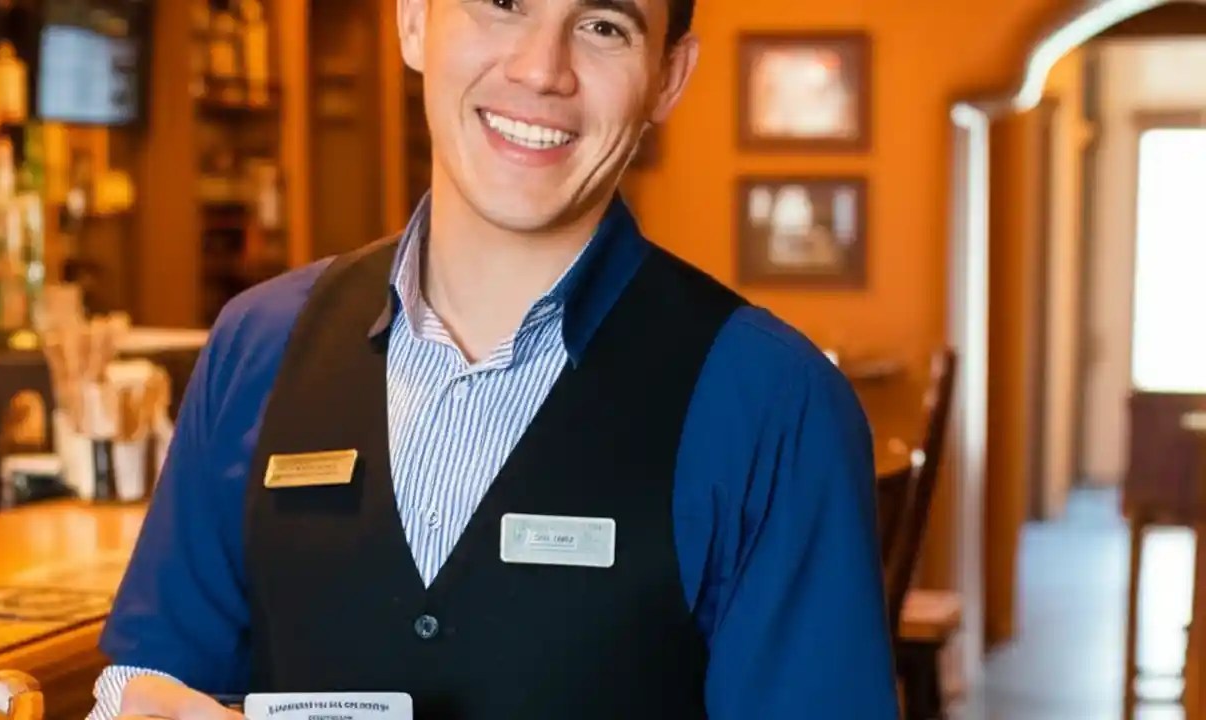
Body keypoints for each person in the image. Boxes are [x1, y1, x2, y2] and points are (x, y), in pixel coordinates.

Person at [94, 0, 899, 717]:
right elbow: (150, 688)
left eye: (603, 26)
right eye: (503, 2)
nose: (541, 69)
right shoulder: (257, 347)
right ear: (413, 19)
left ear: (667, 77)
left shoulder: (775, 405)